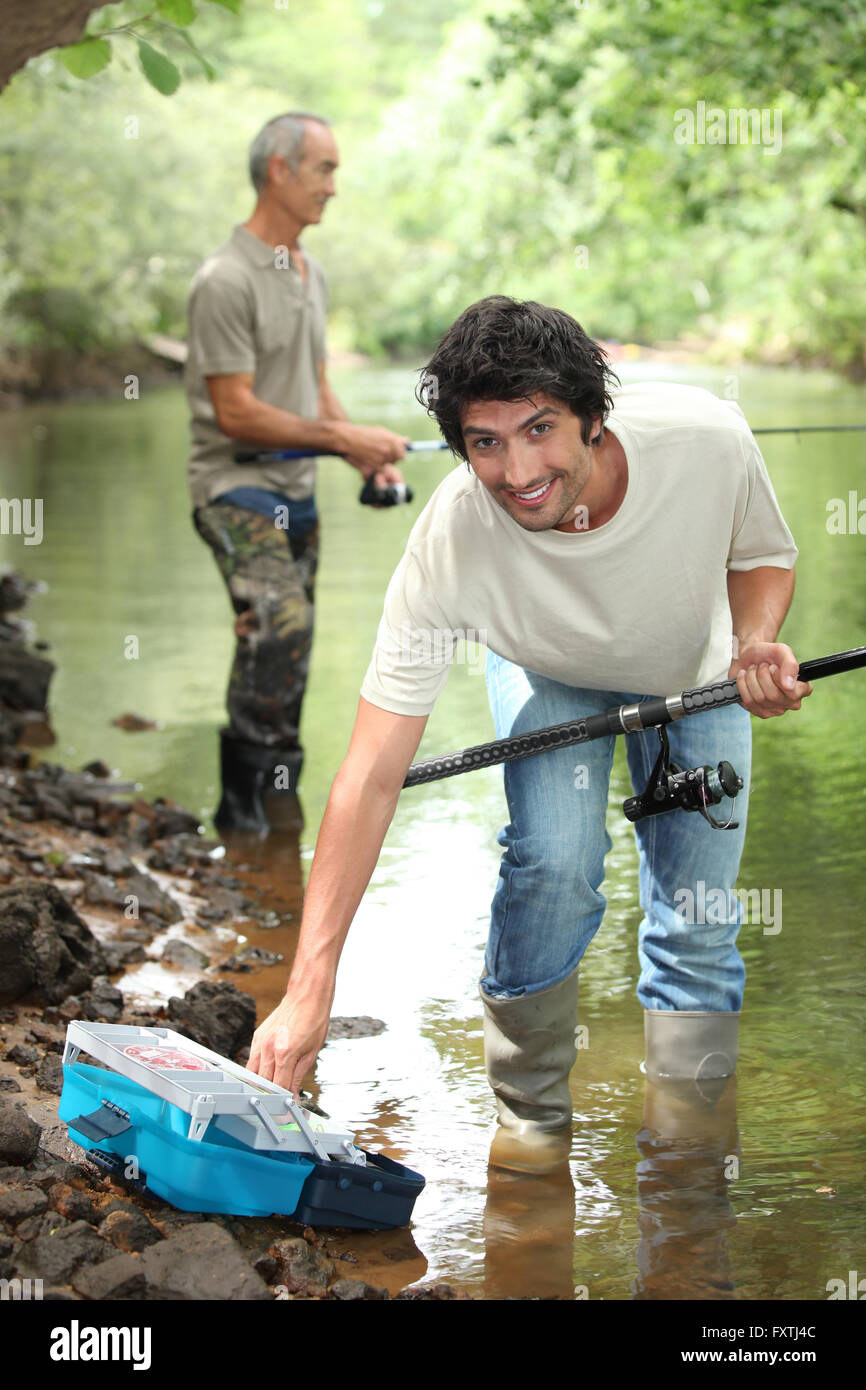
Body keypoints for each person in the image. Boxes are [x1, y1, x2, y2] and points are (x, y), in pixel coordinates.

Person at [248, 296, 812, 1172]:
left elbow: (762, 553)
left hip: (698, 672)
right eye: (486, 442)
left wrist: (753, 644)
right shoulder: (451, 540)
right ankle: (531, 1131)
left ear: (593, 418)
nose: (518, 471)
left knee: (696, 923)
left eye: (541, 428)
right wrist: (309, 984)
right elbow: (368, 774)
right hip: (546, 663)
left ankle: (691, 1169)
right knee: (554, 861)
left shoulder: (709, 438)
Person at [184, 110, 409, 833]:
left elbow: (313, 388)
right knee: (282, 621)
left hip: (297, 495)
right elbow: (236, 414)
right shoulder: (223, 279)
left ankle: (278, 813)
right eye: (325, 169)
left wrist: (360, 455)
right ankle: (239, 810)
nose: (334, 188)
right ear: (279, 170)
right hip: (231, 486)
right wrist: (343, 441)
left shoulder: (310, 274)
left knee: (292, 647)